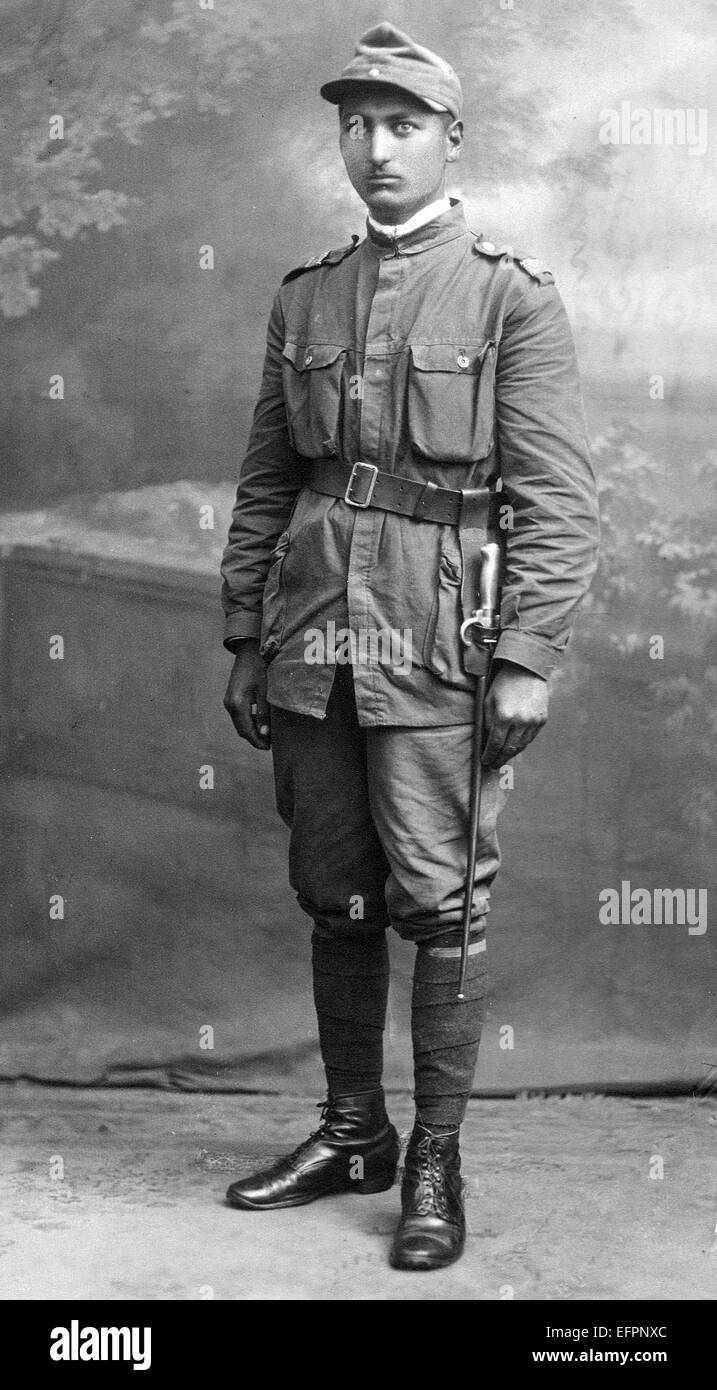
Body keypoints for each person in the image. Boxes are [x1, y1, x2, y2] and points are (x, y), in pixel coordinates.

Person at [220, 22, 599, 1271]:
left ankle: (434, 1158)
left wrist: (531, 651)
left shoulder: (508, 293)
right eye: (355, 125)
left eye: (400, 125)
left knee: (440, 904)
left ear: (450, 140)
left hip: (441, 643)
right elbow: (268, 482)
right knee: (336, 894)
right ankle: (352, 1129)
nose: (374, 148)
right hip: (313, 641)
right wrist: (243, 633)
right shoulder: (306, 293)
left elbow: (557, 499)